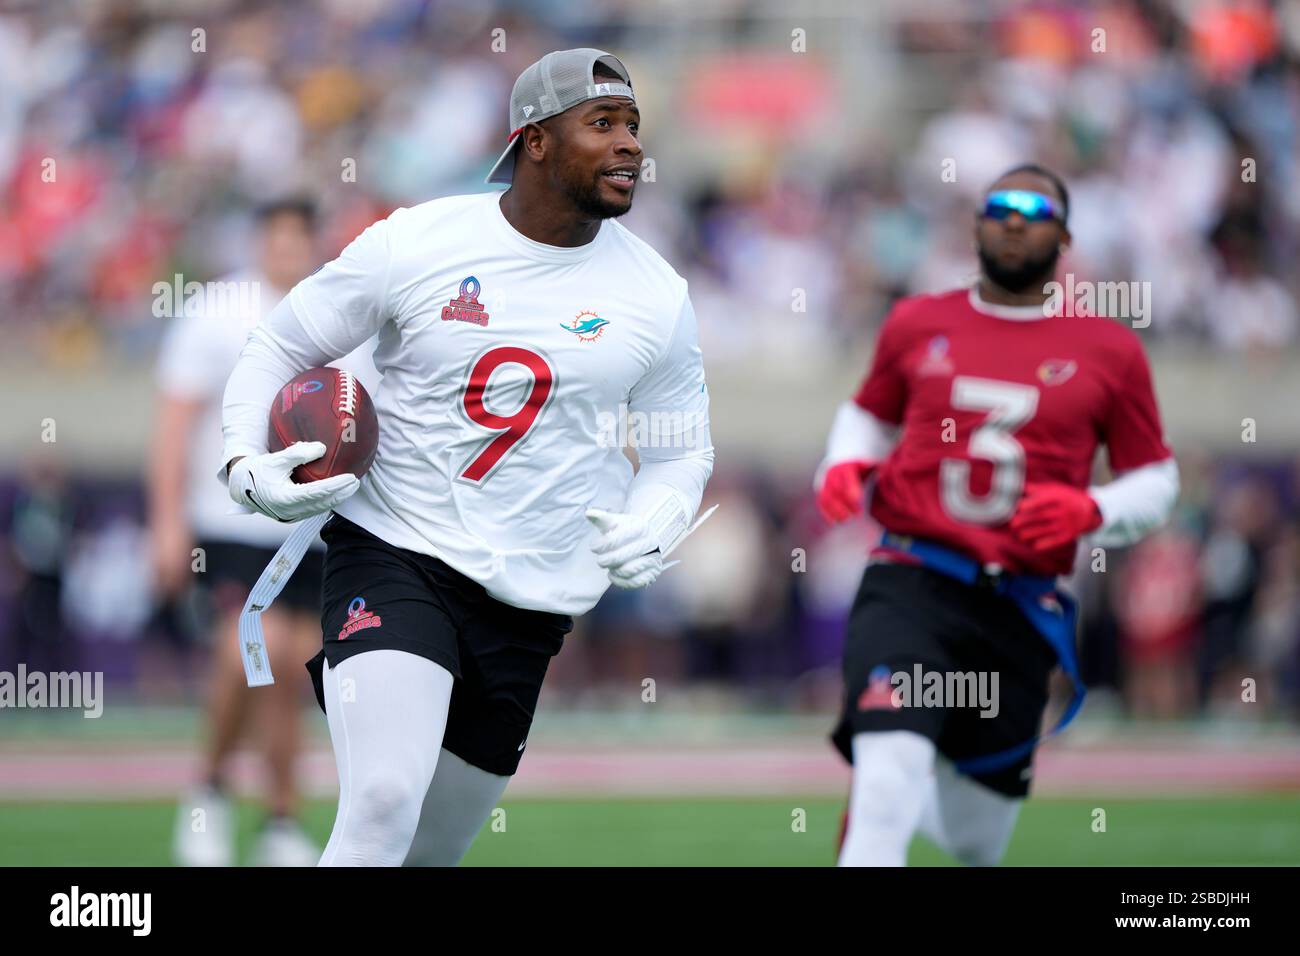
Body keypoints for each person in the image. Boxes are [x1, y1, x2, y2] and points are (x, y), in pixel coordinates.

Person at [218, 49, 713, 866]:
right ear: (535, 141)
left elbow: (680, 450)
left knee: (429, 850)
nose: (630, 145)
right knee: (379, 806)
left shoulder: (657, 294)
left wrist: (660, 515)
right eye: (603, 124)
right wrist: (244, 460)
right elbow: (281, 341)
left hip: (532, 597)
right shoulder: (418, 241)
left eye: (634, 126)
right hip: (397, 552)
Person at [816, 164, 1179, 866]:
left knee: (977, 840)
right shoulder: (919, 321)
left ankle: (904, 797)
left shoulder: (1110, 348)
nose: (1015, 219)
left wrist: (1091, 509)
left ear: (1065, 236)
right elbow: (866, 413)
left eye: (1035, 208)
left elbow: (1157, 479)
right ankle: (885, 802)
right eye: (1000, 206)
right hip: (913, 580)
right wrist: (842, 460)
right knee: (885, 783)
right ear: (976, 223)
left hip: (1018, 604)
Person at [151, 198, 377, 866]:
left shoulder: (340, 318)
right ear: (258, 241)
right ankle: (210, 792)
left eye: (298, 238)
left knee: (290, 668)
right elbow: (174, 421)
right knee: (244, 652)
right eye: (275, 237)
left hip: (310, 528)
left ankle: (280, 821)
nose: (286, 249)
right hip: (228, 518)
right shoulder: (218, 311)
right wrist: (166, 520)